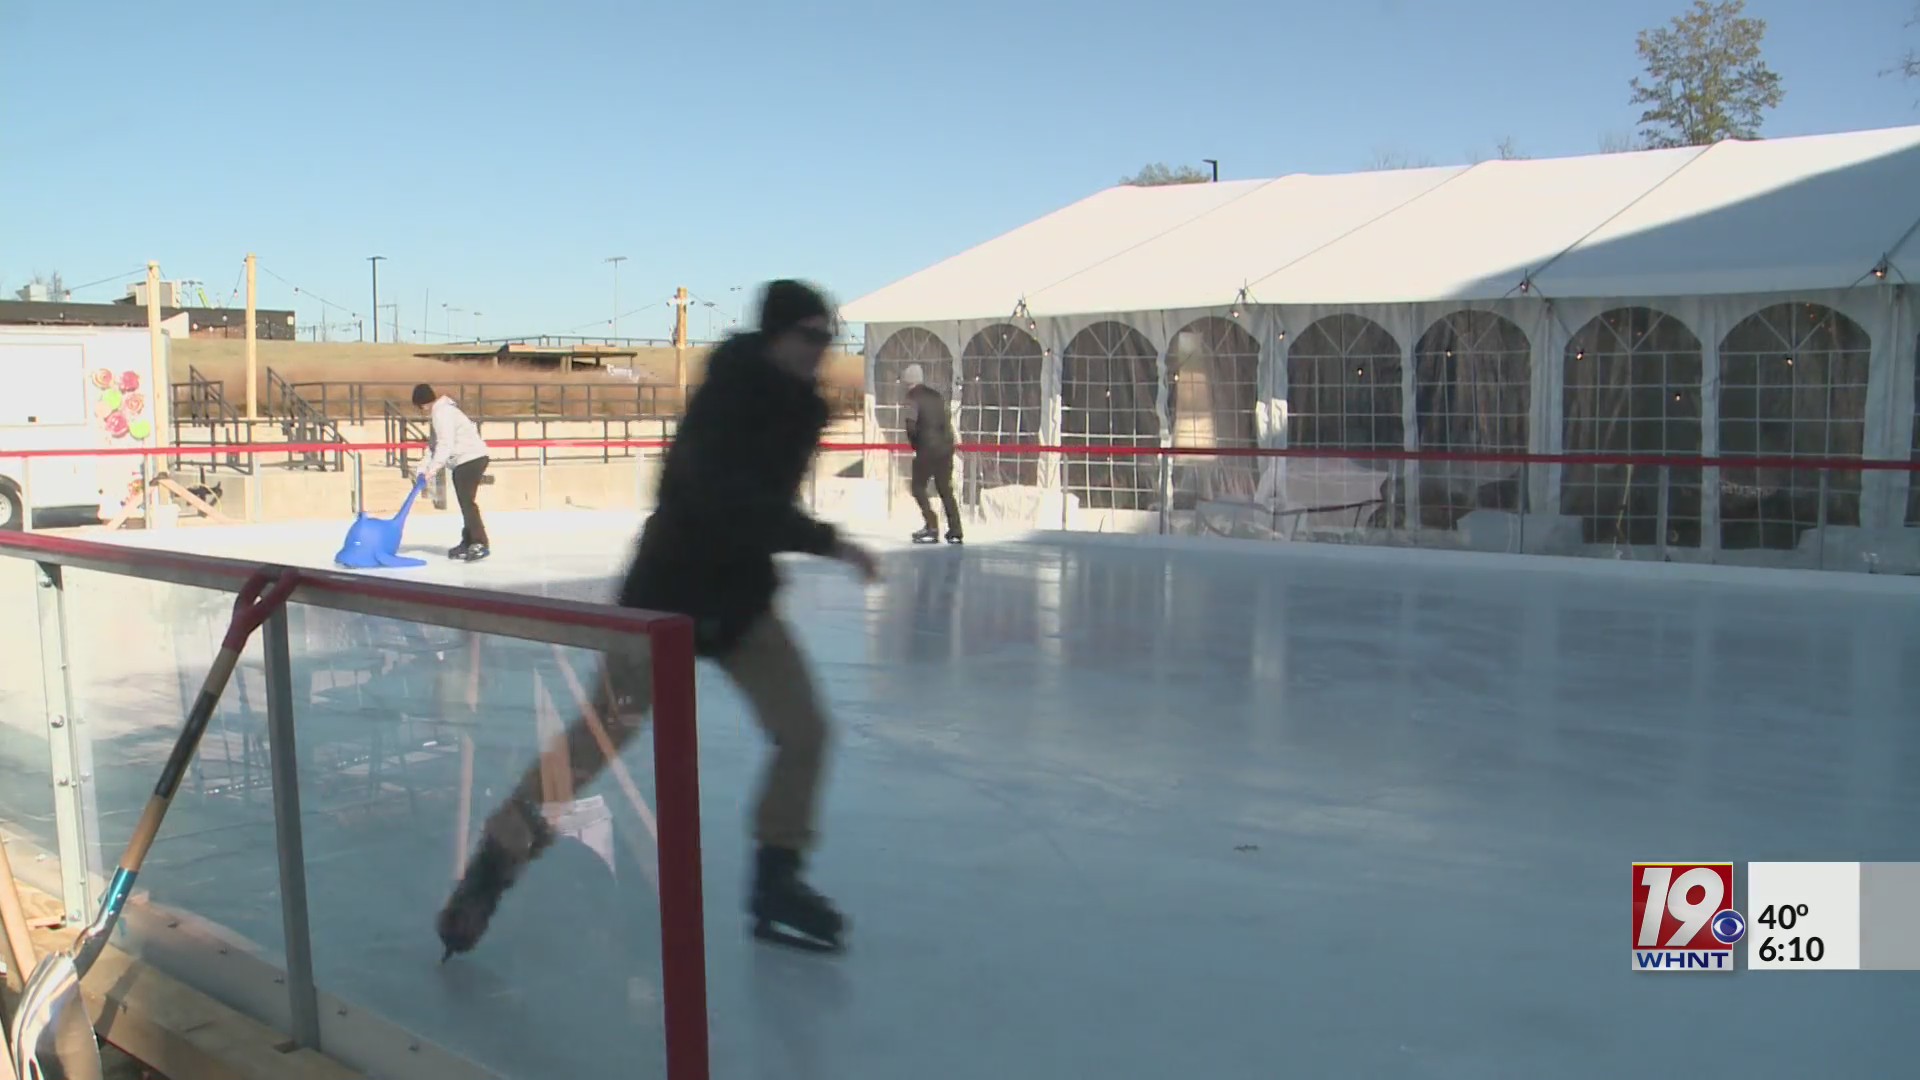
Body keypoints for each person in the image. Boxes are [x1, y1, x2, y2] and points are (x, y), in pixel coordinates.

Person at [436, 280, 878, 956]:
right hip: (667, 593)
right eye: (810, 336)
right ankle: (493, 868)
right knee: (593, 744)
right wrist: (827, 540)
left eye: (828, 339)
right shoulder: (729, 392)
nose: (821, 351)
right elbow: (719, 497)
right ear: (777, 335)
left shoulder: (805, 408)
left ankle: (777, 878)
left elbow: (759, 508)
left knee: (806, 729)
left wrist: (803, 539)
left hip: (739, 600)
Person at [413, 384, 492, 561]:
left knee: (467, 502)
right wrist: (422, 469)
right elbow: (433, 446)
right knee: (465, 502)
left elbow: (445, 445)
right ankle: (468, 541)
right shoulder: (440, 412)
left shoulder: (442, 413)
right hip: (464, 460)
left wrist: (432, 470)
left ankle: (479, 543)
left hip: (471, 458)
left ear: (422, 404)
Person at [901, 363, 961, 544]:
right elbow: (946, 421)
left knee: (918, 487)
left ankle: (932, 526)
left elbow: (911, 425)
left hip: (927, 449)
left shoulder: (911, 397)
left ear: (908, 380)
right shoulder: (937, 396)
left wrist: (916, 445)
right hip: (945, 448)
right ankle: (955, 530)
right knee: (945, 489)